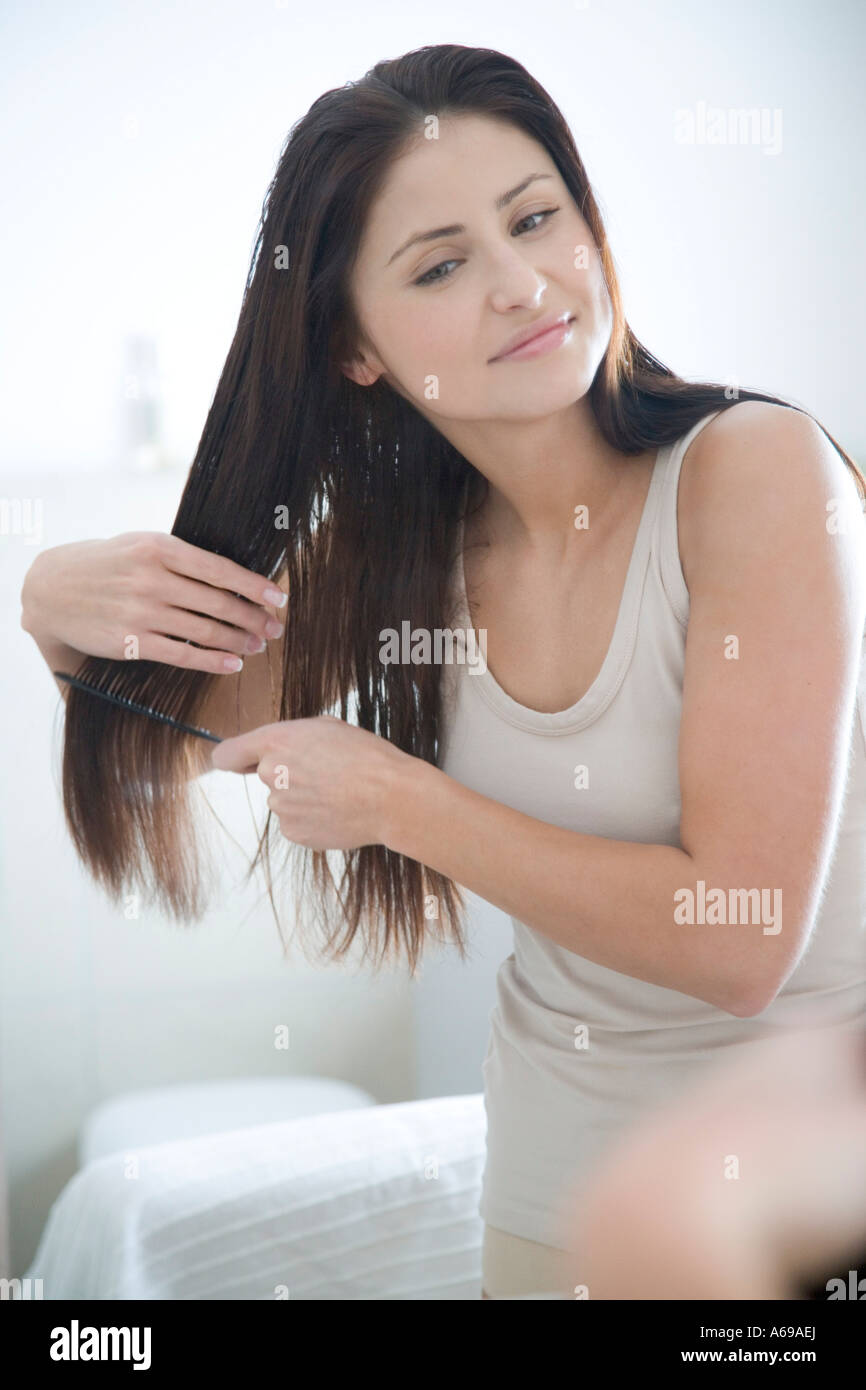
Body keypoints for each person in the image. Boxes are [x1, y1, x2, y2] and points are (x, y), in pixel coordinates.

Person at [20, 44, 866, 1301]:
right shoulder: (392, 557)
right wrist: (44, 603)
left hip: (800, 1202)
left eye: (536, 218)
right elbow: (154, 722)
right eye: (440, 264)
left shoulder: (756, 472)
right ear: (354, 348)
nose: (522, 283)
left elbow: (737, 934)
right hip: (543, 1188)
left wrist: (401, 805)